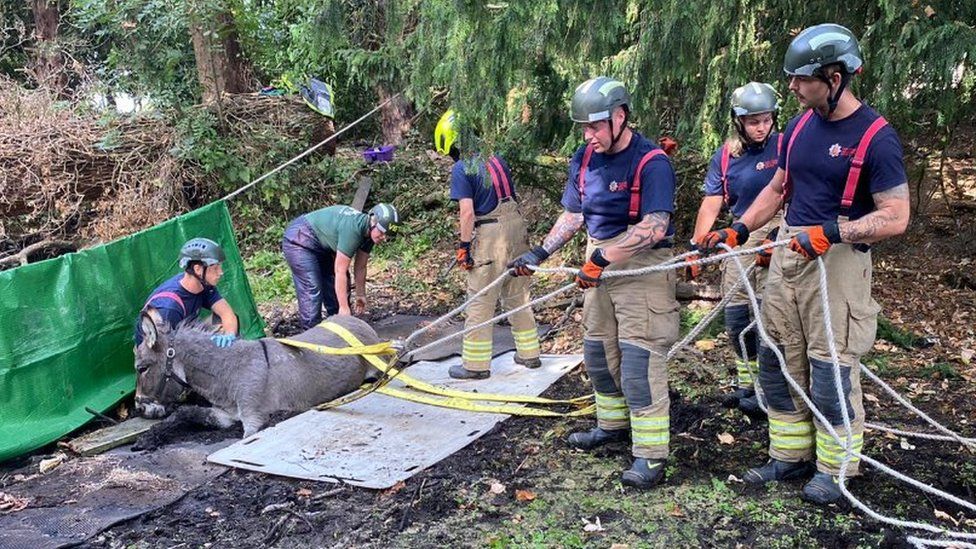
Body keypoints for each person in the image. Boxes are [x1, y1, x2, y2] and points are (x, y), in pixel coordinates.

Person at [697, 23, 909, 504]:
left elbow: (896, 217)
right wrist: (740, 229)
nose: (791, 87)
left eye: (800, 78)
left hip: (837, 262)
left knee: (829, 366)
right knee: (775, 356)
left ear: (834, 77)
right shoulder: (798, 128)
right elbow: (778, 189)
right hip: (789, 251)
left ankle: (836, 469)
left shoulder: (876, 137)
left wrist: (834, 231)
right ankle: (789, 455)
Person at [510, 76, 679, 489]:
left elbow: (655, 227)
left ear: (620, 117)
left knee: (639, 363)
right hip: (598, 264)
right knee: (599, 353)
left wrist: (603, 258)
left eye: (595, 126)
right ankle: (612, 427)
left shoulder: (651, 162)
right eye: (583, 127)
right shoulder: (585, 158)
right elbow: (574, 214)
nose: (588, 135)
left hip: (642, 268)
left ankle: (651, 456)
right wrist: (540, 253)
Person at [688, 82, 783, 417]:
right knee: (737, 314)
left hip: (780, 230)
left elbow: (798, 192)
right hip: (739, 232)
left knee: (770, 314)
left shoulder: (785, 147)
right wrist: (697, 246)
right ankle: (748, 383)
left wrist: (777, 235)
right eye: (753, 121)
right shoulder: (727, 155)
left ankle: (771, 389)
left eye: (766, 120)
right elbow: (712, 201)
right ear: (739, 122)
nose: (761, 127)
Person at [434, 110, 541, 379]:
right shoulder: (497, 159)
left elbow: (467, 213)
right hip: (517, 228)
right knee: (518, 294)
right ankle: (530, 355)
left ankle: (475, 365)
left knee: (481, 299)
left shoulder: (462, 168)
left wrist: (463, 246)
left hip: (491, 234)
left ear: (452, 142)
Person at [282, 203, 400, 330]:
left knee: (334, 285)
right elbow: (340, 270)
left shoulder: (370, 235)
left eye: (387, 236)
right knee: (312, 288)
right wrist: (344, 307)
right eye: (382, 232)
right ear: (373, 221)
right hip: (300, 239)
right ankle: (310, 335)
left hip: (322, 246)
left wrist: (360, 295)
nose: (384, 238)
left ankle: (339, 327)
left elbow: (360, 267)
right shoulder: (353, 230)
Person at [136, 238, 239, 347]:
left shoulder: (203, 284)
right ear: (198, 269)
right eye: (215, 268)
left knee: (225, 325)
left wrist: (230, 335)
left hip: (184, 331)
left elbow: (227, 314)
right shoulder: (169, 308)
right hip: (158, 351)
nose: (221, 272)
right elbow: (163, 351)